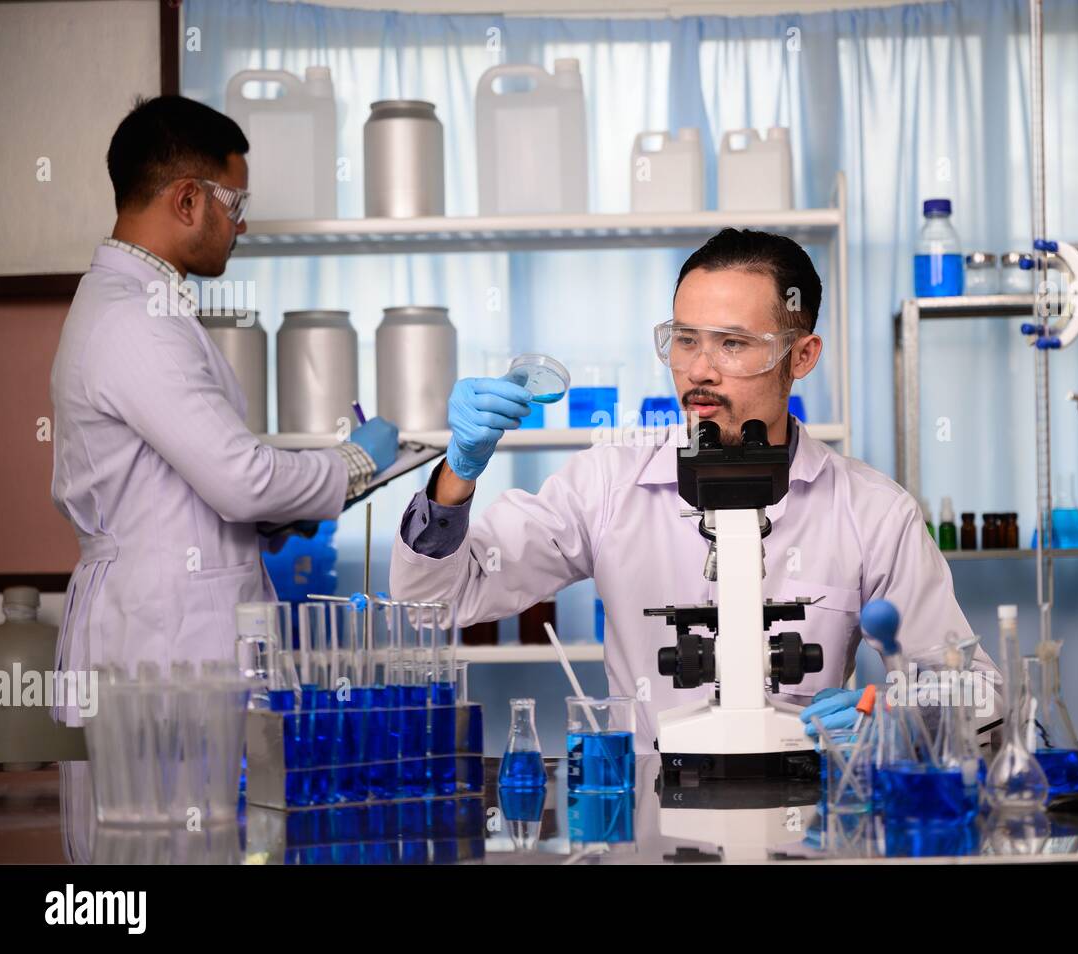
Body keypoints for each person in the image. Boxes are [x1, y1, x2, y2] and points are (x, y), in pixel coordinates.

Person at [390, 227, 1000, 749]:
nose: (699, 370)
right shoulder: (607, 483)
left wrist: (895, 721)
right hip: (652, 820)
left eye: (733, 343)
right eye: (685, 340)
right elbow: (436, 604)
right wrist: (459, 471)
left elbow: (976, 686)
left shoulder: (870, 509)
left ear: (803, 354)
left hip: (808, 820)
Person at [49, 96, 398, 723]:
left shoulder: (144, 306)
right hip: (157, 655)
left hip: (164, 642)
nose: (241, 227)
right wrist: (356, 462)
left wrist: (274, 518)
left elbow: (182, 486)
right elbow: (241, 481)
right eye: (233, 205)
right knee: (166, 819)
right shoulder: (135, 319)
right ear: (188, 200)